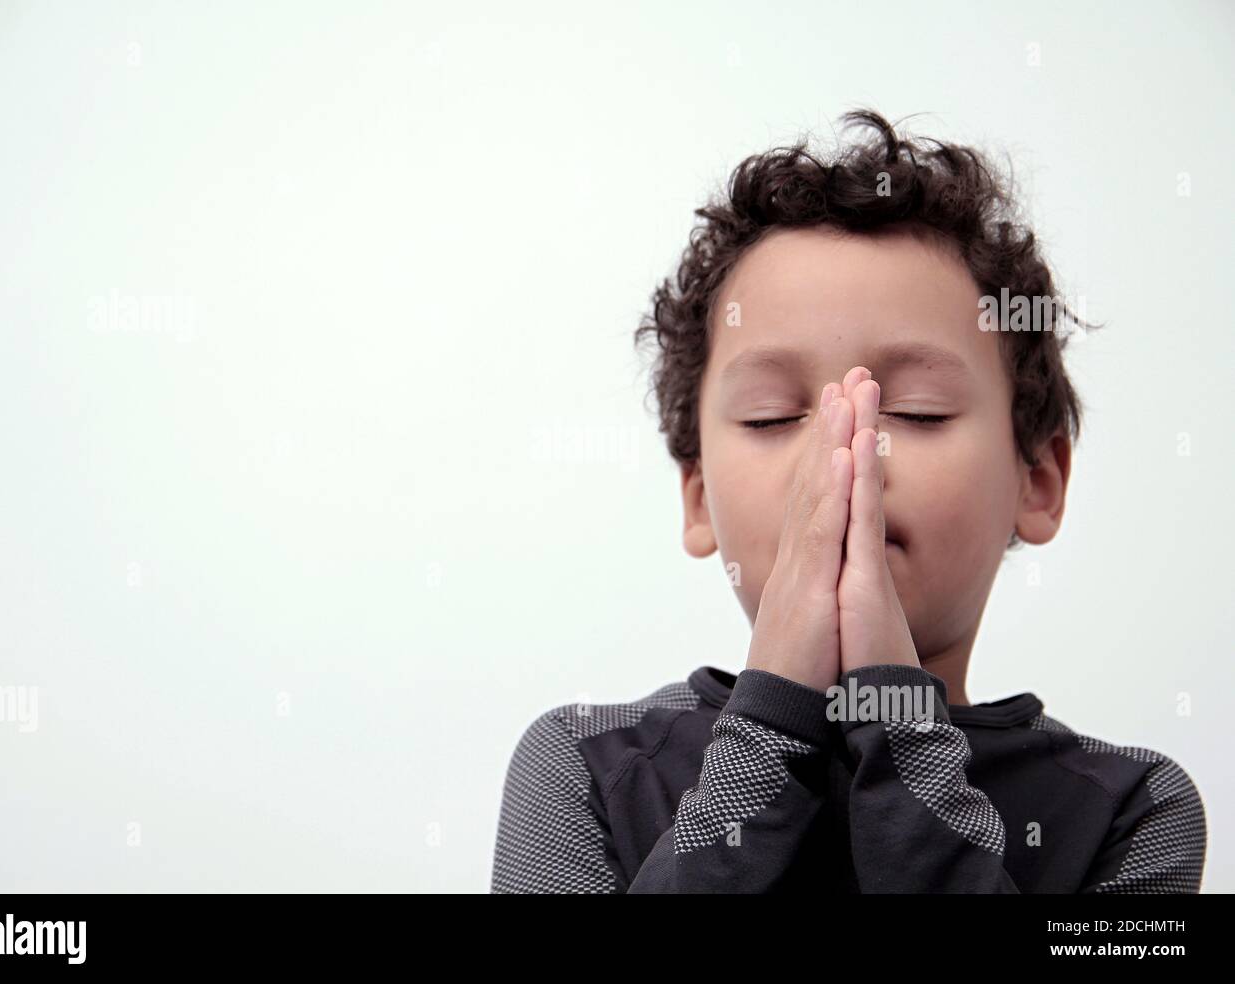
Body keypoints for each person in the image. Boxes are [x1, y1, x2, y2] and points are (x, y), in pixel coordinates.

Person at [490, 109, 1206, 893]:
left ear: (1037, 480)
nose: (846, 456)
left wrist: (898, 721)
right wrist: (769, 726)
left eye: (919, 411)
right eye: (770, 417)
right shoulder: (585, 767)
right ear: (698, 498)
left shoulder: (1128, 811)